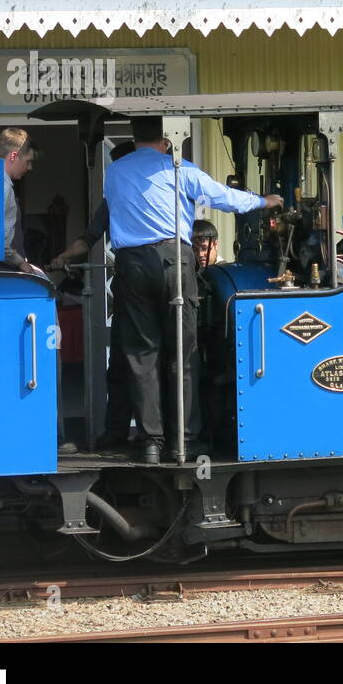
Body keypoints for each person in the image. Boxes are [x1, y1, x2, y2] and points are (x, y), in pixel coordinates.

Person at [106, 117, 282, 464]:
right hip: (172, 259)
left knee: (142, 355)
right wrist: (264, 202)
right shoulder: (179, 168)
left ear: (135, 137)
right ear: (166, 139)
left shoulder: (115, 172)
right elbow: (223, 197)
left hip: (131, 263)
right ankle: (184, 440)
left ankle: (151, 443)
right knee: (183, 351)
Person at [50, 141, 135, 453]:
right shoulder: (114, 200)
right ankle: (119, 433)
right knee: (123, 363)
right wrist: (63, 257)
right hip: (129, 285)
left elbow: (88, 238)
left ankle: (146, 435)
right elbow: (88, 237)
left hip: (141, 283)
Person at [0, 127, 39, 274]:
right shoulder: (2, 187)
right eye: (28, 161)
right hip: (2, 271)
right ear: (13, 156)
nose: (30, 167)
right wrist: (21, 263)